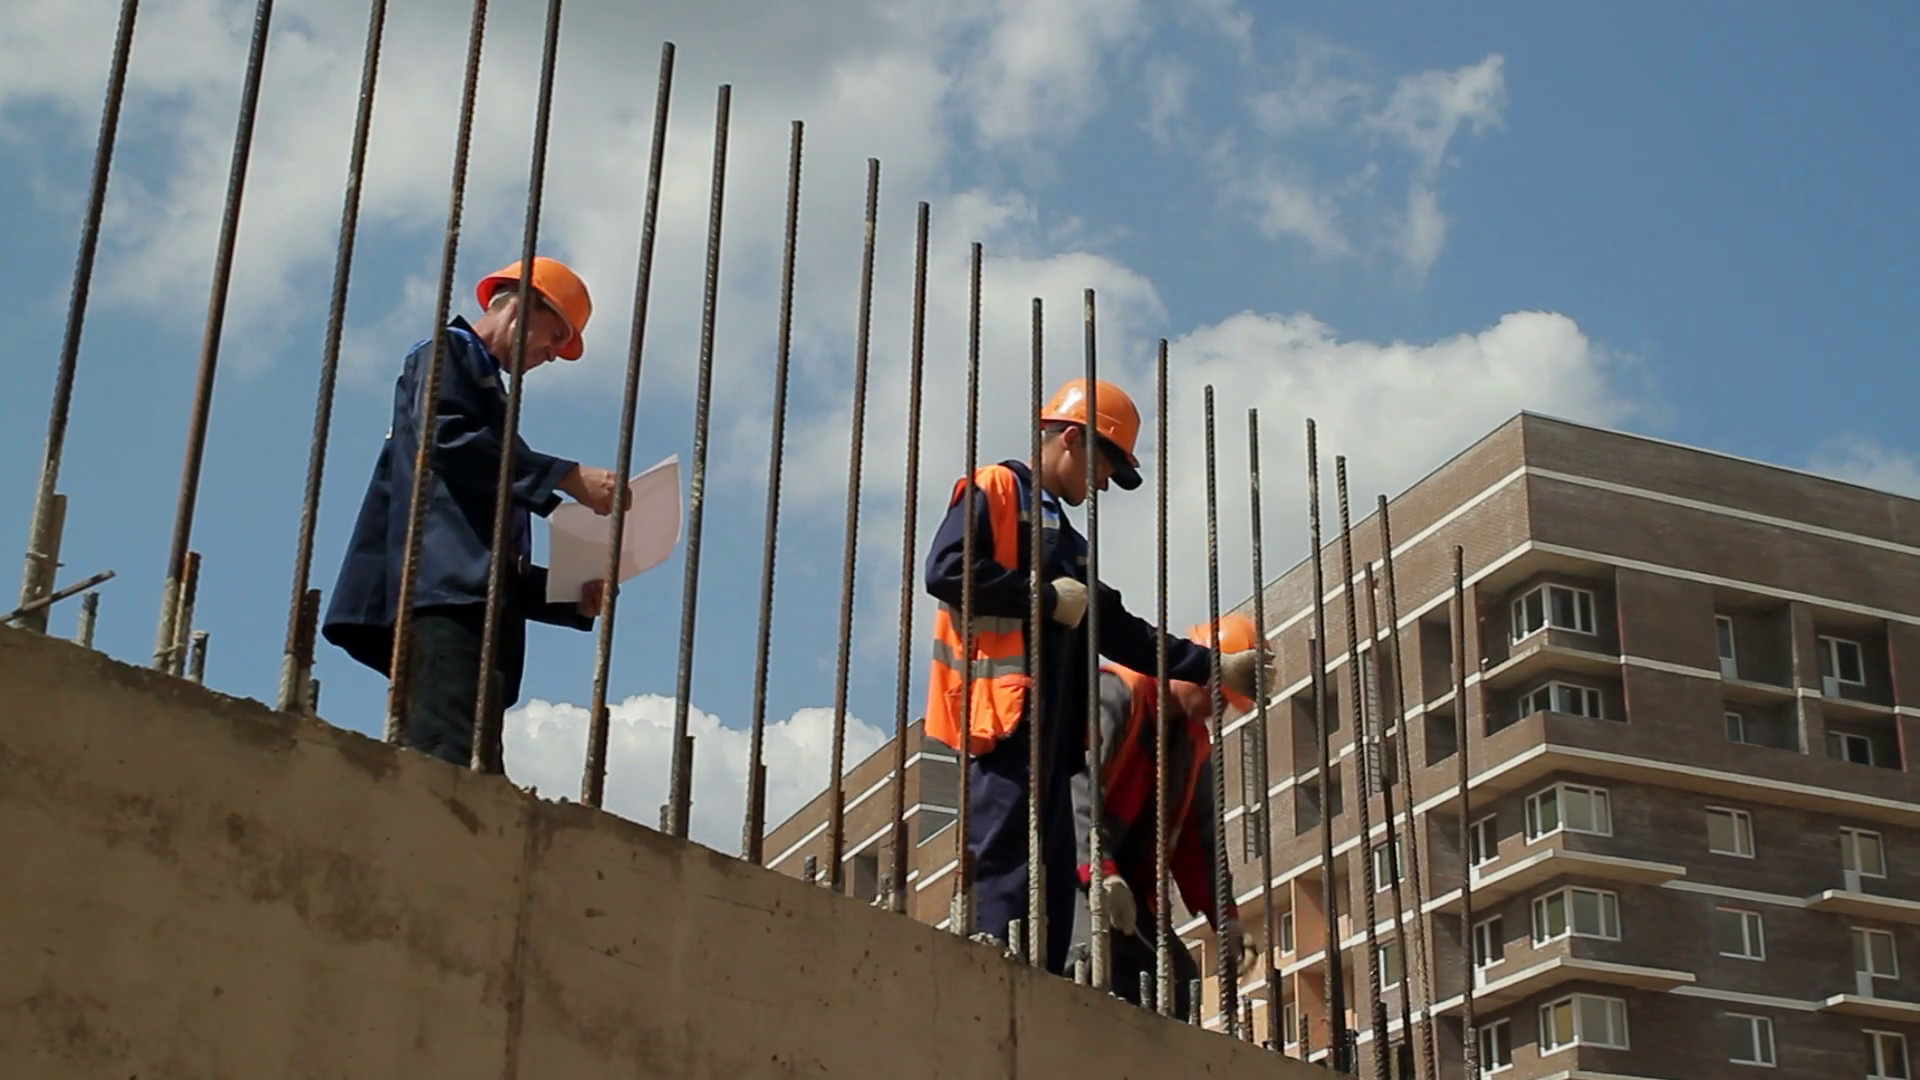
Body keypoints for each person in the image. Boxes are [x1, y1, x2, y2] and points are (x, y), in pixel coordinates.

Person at [922, 377, 1266, 975]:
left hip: (1056, 730)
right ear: (1073, 441)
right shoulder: (997, 489)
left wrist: (1212, 667)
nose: (1103, 482)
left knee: (1051, 869)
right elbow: (946, 569)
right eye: (1105, 465)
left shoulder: (1072, 544)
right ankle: (985, 959)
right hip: (1005, 716)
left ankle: (1041, 978)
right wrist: (1040, 596)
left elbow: (1124, 632)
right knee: (1004, 846)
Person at [323, 256, 622, 772]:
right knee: (447, 767)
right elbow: (445, 439)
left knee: (476, 773)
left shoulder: (488, 399)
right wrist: (568, 477)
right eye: (554, 336)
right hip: (445, 611)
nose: (551, 355)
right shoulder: (444, 355)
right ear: (524, 306)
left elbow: (482, 553)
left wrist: (569, 598)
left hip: (472, 614)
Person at [1067, 613, 1265, 1021]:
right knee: (1085, 960)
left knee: (1178, 984)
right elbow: (1078, 789)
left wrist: (1224, 919)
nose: (1218, 709)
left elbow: (1201, 842)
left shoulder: (1192, 744)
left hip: (1127, 883)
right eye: (1221, 697)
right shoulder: (1120, 692)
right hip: (1073, 866)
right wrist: (1099, 870)